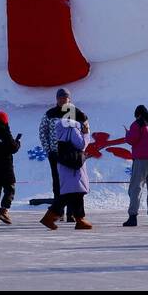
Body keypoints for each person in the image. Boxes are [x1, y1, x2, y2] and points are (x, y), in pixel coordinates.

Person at [39, 88, 88, 222]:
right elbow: (43, 133)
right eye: (60, 97)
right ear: (56, 99)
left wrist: (83, 149)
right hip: (56, 154)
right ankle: (58, 213)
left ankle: (72, 214)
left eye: (65, 97)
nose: (62, 100)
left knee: (75, 183)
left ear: (69, 99)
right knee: (58, 183)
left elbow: (85, 131)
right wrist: (49, 150)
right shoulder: (50, 114)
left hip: (74, 154)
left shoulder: (78, 113)